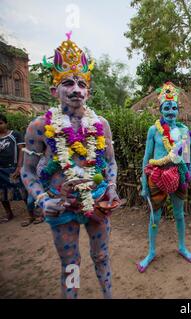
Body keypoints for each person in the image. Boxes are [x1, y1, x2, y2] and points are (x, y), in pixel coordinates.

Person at [21, 32, 120, 298]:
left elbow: (110, 162)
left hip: (97, 202)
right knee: (71, 264)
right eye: (67, 83)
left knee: (101, 256)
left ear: (88, 90)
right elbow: (27, 170)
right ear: (55, 90)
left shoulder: (101, 125)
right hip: (61, 207)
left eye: (81, 83)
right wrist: (42, 200)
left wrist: (111, 186)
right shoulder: (39, 127)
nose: (76, 89)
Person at [136, 81, 191, 273]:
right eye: (166, 107)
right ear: (160, 109)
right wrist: (145, 184)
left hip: (178, 175)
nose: (170, 111)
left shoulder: (184, 131)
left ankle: (182, 246)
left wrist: (190, 169)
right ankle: (151, 252)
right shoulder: (154, 130)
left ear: (178, 110)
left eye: (173, 108)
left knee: (179, 214)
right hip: (157, 176)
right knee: (155, 216)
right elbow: (147, 158)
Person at [0, 113, 39, 226]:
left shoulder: (15, 135)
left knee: (22, 191)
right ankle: (9, 213)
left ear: (6, 123)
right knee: (2, 193)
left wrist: (19, 167)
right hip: (1, 169)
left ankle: (30, 214)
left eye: (1, 123)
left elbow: (21, 150)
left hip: (13, 168)